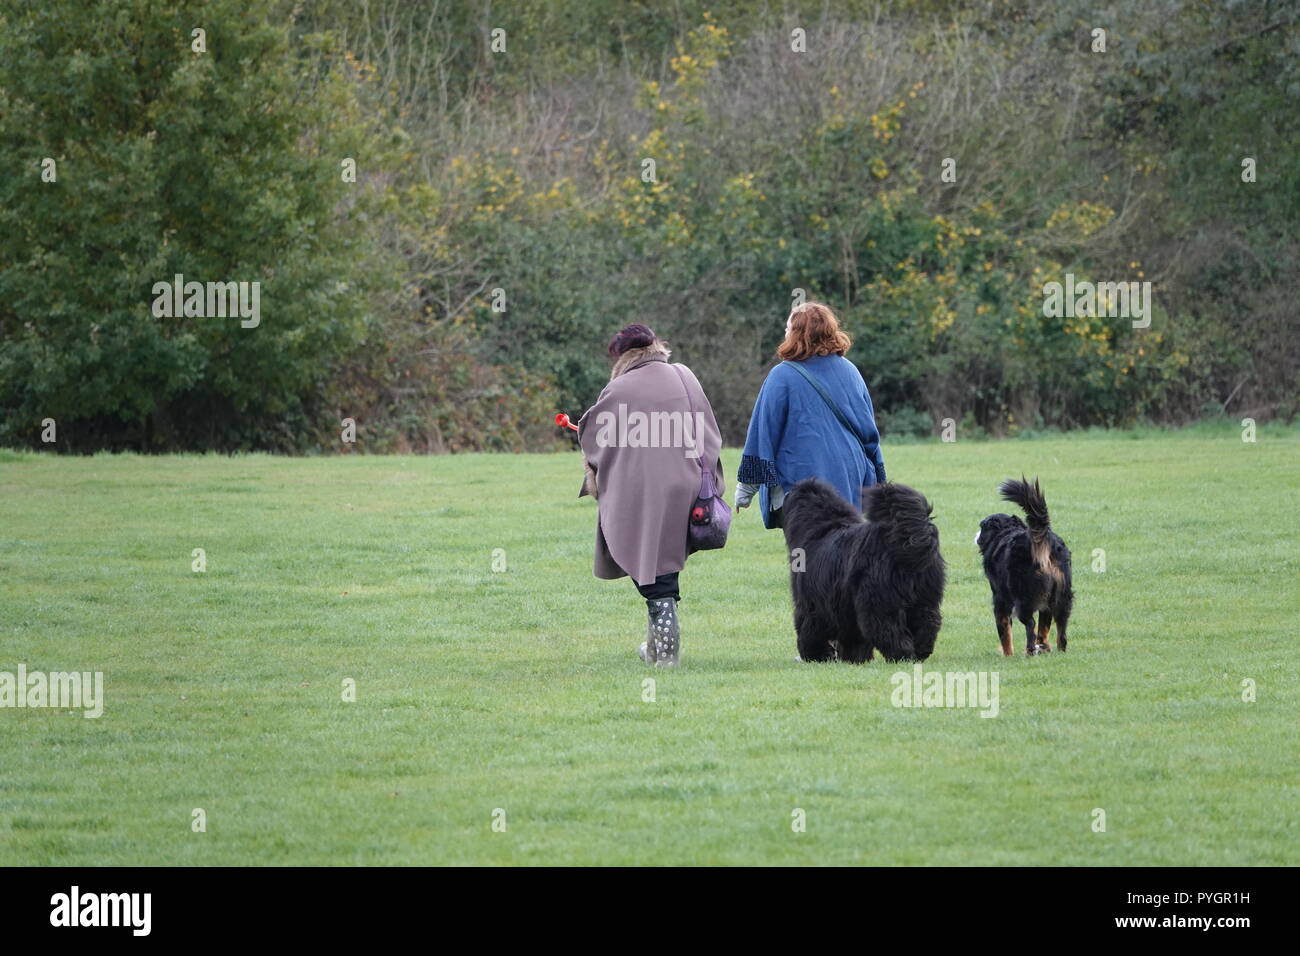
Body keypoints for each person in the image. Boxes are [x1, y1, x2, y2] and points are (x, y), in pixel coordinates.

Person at [578, 324, 724, 666]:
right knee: (660, 566)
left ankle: (666, 654)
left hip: (647, 492)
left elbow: (593, 435)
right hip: (688, 487)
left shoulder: (620, 388)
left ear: (622, 356)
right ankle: (656, 648)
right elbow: (708, 431)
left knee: (654, 575)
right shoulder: (684, 376)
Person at [735, 302, 886, 527]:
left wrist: (746, 489)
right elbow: (868, 432)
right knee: (847, 553)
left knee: (811, 557)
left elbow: (763, 431)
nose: (784, 333)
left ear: (798, 333)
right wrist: (879, 482)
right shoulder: (850, 370)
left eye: (788, 328)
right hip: (850, 479)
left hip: (803, 486)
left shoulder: (782, 375)